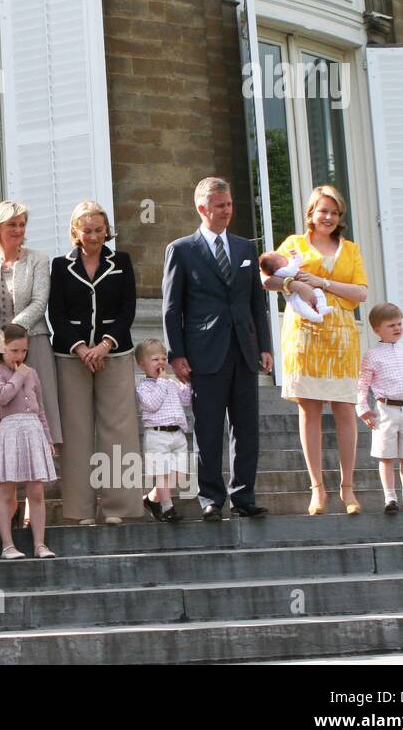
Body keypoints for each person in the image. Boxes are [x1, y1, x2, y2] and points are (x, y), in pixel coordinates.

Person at [162, 177, 272, 521]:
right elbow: (170, 307)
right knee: (208, 429)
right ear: (202, 209)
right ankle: (210, 497)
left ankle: (244, 496)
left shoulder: (244, 248)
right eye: (220, 205)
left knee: (246, 429)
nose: (227, 211)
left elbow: (257, 302)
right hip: (203, 353)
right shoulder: (181, 249)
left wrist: (265, 346)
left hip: (244, 349)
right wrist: (176, 354)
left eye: (229, 204)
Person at [260, 186, 369, 515]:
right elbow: (266, 279)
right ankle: (317, 489)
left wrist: (323, 283)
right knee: (309, 411)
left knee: (346, 411)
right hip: (305, 336)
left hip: (342, 338)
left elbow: (361, 293)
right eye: (323, 211)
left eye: (335, 213)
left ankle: (347, 489)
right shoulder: (294, 244)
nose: (329, 218)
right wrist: (295, 284)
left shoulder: (350, 249)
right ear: (311, 213)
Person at [47, 200, 142, 525]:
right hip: (70, 357)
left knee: (120, 429)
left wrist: (103, 346)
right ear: (76, 231)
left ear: (107, 230)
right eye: (87, 230)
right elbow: (55, 312)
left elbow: (128, 307)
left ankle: (120, 507)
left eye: (99, 230)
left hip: (113, 354)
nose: (94, 236)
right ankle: (80, 511)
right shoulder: (60, 266)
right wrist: (80, 348)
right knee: (75, 433)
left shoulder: (122, 261)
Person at [0, 201, 61, 451]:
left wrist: (12, 336)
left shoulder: (38, 260)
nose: (19, 230)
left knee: (36, 408)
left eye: (22, 224)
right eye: (12, 224)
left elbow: (39, 302)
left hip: (33, 345)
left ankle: (37, 482)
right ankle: (7, 483)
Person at [0, 324, 57, 560]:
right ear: (1, 348)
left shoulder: (32, 372)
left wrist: (47, 437)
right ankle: (8, 545)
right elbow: (2, 397)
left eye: (23, 351)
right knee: (7, 489)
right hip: (11, 430)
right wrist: (18, 375)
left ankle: (39, 543)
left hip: (33, 429)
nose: (20, 356)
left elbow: (41, 408)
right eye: (14, 350)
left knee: (36, 490)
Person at [357, 303, 403, 515]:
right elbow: (362, 384)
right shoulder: (371, 355)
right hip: (386, 410)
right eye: (391, 325)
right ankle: (390, 498)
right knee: (386, 456)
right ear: (377, 329)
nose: (397, 328)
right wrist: (363, 409)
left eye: (399, 324)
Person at [134, 338, 192, 523]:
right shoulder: (144, 388)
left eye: (163, 358)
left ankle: (151, 499)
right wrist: (161, 383)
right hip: (157, 435)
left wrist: (186, 382)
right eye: (154, 359)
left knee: (178, 473)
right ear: (142, 365)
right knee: (162, 473)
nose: (160, 362)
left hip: (178, 434)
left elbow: (186, 399)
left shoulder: (170, 382)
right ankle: (168, 508)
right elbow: (152, 405)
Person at [259, 250, 330, 323]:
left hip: (310, 289)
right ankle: (314, 316)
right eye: (280, 257)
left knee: (318, 292)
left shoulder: (286, 265)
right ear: (276, 267)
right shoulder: (281, 271)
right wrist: (298, 286)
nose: (284, 256)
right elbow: (292, 271)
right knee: (301, 306)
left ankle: (322, 307)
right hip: (295, 296)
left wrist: (296, 256)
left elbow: (298, 261)